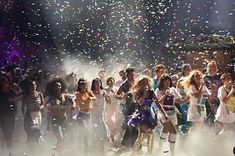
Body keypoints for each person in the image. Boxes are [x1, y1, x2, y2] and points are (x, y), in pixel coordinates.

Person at [129, 76, 167, 156]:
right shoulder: (137, 92)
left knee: (150, 135)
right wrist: (145, 93)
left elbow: (158, 103)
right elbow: (140, 103)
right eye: (142, 82)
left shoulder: (151, 92)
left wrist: (164, 113)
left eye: (146, 82)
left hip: (149, 115)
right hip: (141, 115)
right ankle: (133, 153)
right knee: (141, 136)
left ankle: (150, 154)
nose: (144, 84)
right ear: (139, 84)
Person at [155, 74, 183, 156]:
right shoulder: (158, 90)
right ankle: (172, 153)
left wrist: (188, 98)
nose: (167, 82)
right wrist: (165, 95)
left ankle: (159, 148)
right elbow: (158, 102)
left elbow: (178, 101)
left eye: (168, 80)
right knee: (173, 132)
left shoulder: (173, 89)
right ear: (162, 82)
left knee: (166, 130)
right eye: (165, 80)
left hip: (172, 113)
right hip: (163, 113)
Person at [46, 78, 74, 149]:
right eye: (56, 86)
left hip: (64, 120)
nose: (58, 88)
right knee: (60, 139)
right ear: (53, 88)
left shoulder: (65, 96)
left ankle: (59, 152)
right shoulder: (51, 99)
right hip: (55, 120)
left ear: (61, 87)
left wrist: (73, 104)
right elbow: (48, 111)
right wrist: (48, 124)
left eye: (59, 86)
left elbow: (73, 100)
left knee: (64, 140)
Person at [116, 68, 138, 153]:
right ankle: (126, 145)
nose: (132, 76)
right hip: (128, 108)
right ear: (127, 75)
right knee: (130, 125)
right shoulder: (124, 84)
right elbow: (117, 94)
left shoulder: (136, 82)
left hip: (136, 106)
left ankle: (132, 145)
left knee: (136, 126)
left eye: (133, 74)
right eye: (130, 75)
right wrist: (122, 96)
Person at [73, 78, 96, 154]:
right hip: (81, 114)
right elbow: (73, 100)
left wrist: (90, 98)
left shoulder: (88, 92)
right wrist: (73, 103)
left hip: (88, 114)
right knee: (85, 129)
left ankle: (85, 147)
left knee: (87, 131)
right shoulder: (77, 94)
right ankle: (81, 145)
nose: (83, 86)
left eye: (85, 84)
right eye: (82, 84)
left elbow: (95, 98)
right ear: (79, 86)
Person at [90, 78, 110, 155]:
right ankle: (95, 149)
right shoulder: (91, 93)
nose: (97, 85)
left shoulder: (103, 92)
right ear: (93, 84)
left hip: (101, 113)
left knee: (102, 129)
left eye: (99, 83)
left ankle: (102, 149)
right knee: (95, 130)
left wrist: (107, 97)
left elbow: (108, 101)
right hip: (94, 113)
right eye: (96, 83)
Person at [0, 73, 17, 147]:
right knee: (5, 130)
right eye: (4, 81)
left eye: (7, 81)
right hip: (2, 115)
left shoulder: (12, 92)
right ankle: (8, 145)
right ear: (1, 83)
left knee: (11, 131)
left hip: (11, 115)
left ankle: (9, 145)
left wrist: (14, 112)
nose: (5, 83)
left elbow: (15, 103)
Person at [104, 77, 120, 145]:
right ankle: (111, 137)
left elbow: (119, 95)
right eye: (109, 81)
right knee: (110, 121)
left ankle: (114, 136)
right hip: (108, 106)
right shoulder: (105, 89)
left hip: (115, 106)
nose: (111, 82)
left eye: (112, 81)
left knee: (116, 122)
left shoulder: (116, 88)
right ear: (108, 82)